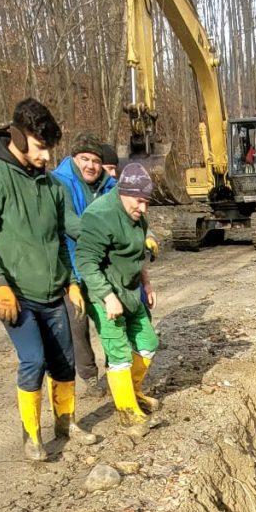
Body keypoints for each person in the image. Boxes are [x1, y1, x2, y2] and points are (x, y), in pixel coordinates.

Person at [0, 97, 95, 462]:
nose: (47, 157)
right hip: (17, 296)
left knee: (64, 363)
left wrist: (72, 280)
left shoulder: (52, 186)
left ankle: (66, 423)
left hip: (54, 292)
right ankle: (32, 436)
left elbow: (66, 235)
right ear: (17, 137)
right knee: (33, 360)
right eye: (40, 147)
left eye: (50, 149)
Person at [75, 161, 159, 431]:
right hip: (105, 294)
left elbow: (138, 255)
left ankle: (132, 392)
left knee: (148, 342)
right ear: (123, 191)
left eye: (146, 202)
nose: (143, 208)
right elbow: (86, 262)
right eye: (139, 201)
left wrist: (146, 284)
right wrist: (107, 296)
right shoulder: (99, 216)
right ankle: (126, 411)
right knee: (118, 350)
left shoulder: (138, 214)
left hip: (131, 291)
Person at [52, 132, 114, 387]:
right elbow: (69, 223)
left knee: (111, 318)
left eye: (96, 161)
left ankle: (115, 369)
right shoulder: (59, 182)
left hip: (102, 264)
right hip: (70, 265)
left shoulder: (108, 184)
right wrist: (108, 237)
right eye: (84, 159)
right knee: (77, 325)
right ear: (74, 158)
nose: (91, 165)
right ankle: (89, 375)